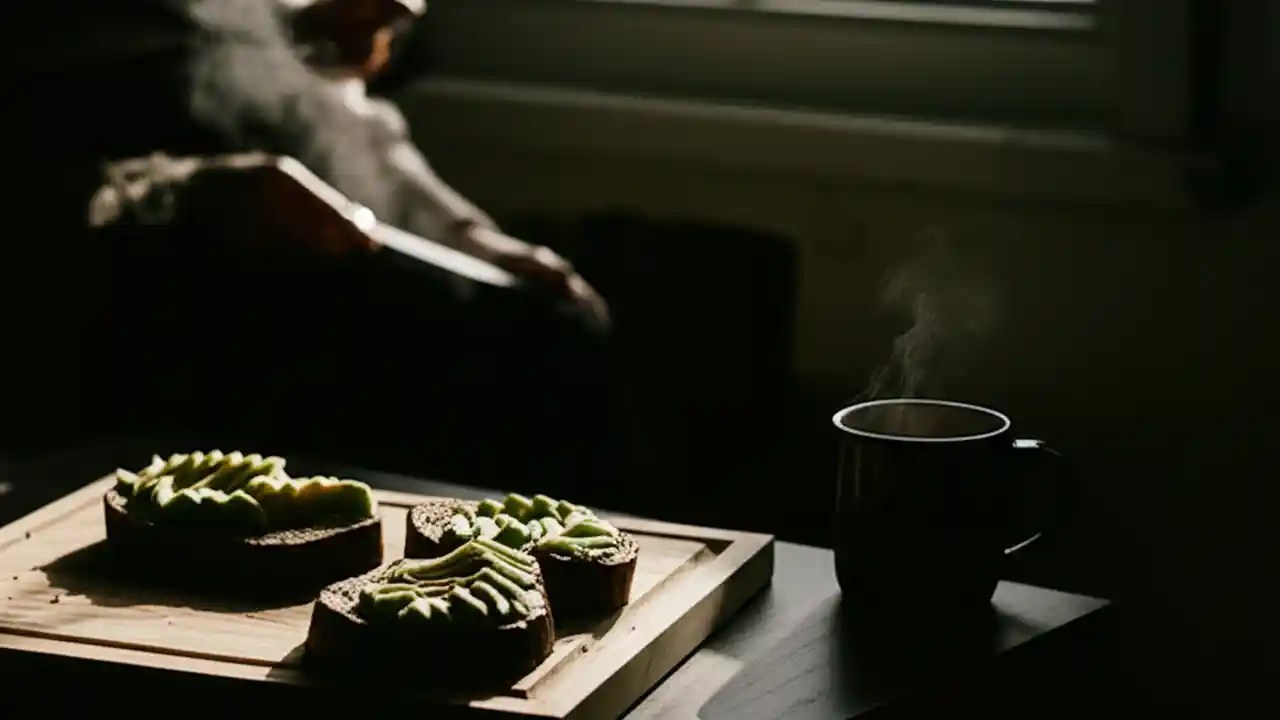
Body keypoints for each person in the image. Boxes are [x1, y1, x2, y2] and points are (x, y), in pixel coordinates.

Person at [2, 0, 626, 502]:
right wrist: (183, 193)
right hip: (105, 344)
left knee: (554, 328)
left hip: (302, 317)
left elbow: (336, 118)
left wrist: (463, 235)